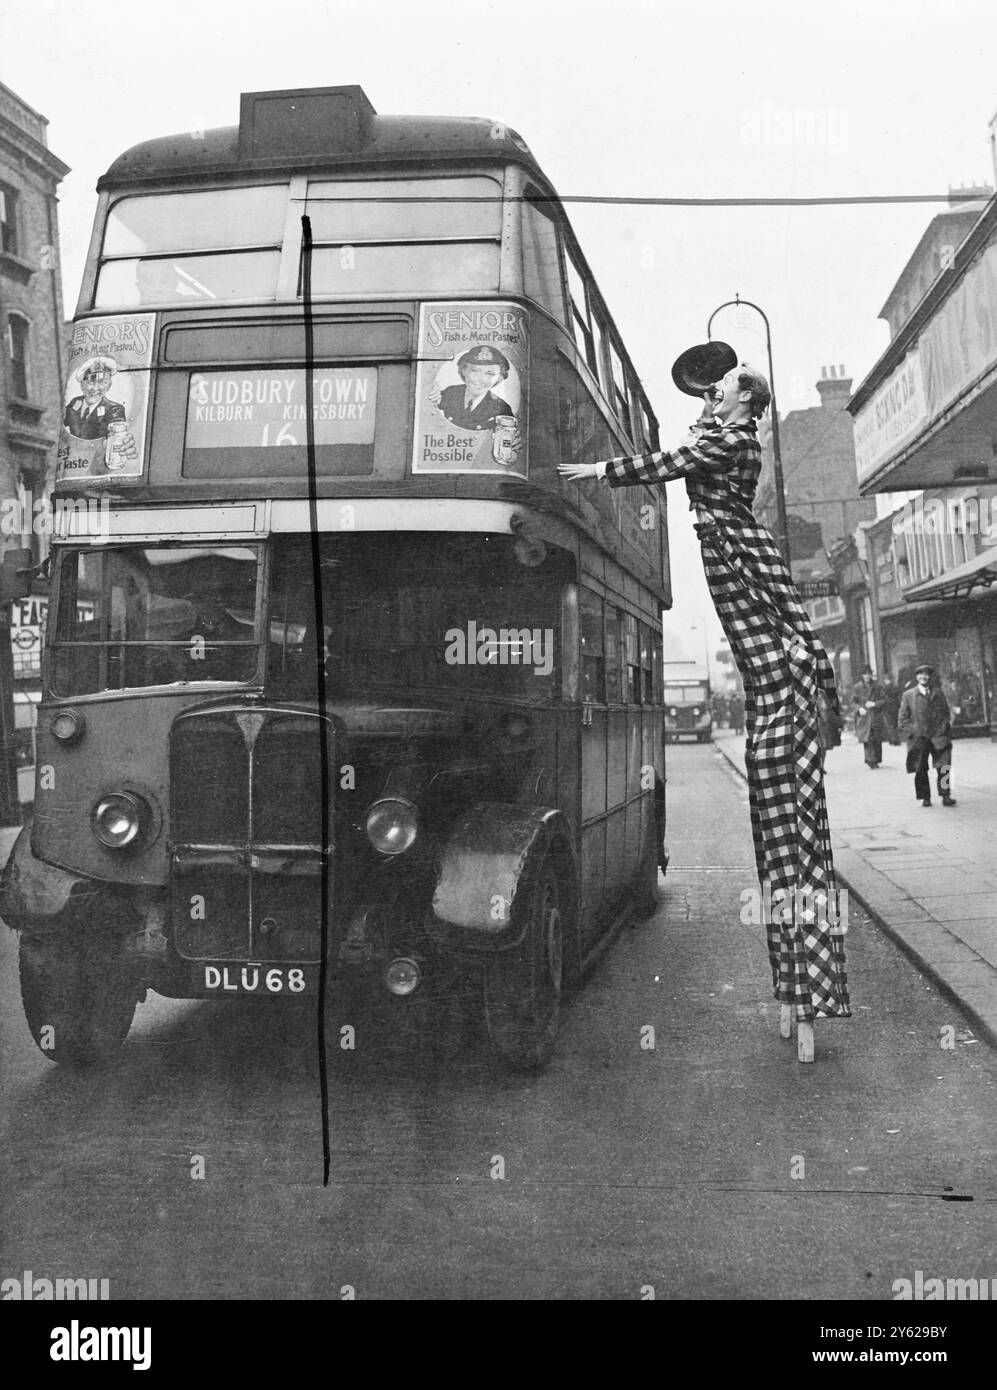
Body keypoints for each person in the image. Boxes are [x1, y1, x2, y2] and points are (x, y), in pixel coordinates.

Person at [559, 362, 849, 1026]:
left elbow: (679, 457)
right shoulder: (725, 429)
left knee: (789, 644)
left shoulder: (737, 440)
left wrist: (603, 471)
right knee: (769, 661)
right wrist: (702, 401)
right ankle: (794, 988)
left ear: (747, 397)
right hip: (724, 552)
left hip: (740, 551)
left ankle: (809, 692)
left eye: (724, 387)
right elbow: (696, 434)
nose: (712, 392)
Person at [898, 663, 956, 807]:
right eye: (920, 674)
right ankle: (925, 797)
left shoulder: (938, 693)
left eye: (926, 674)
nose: (923, 677)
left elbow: (946, 714)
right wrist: (914, 731)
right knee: (920, 768)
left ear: (929, 677)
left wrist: (943, 728)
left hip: (938, 736)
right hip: (919, 738)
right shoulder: (909, 695)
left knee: (944, 766)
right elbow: (903, 719)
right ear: (917, 677)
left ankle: (946, 795)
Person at [430, 344, 517, 431]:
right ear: (464, 371)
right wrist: (431, 391)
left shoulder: (503, 409)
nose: (481, 379)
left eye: (490, 374)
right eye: (475, 371)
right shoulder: (451, 392)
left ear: (499, 377)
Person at [63, 357, 128, 439]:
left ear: (108, 386)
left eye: (101, 383)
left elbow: (116, 437)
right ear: (82, 385)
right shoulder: (75, 402)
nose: (95, 388)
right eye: (90, 383)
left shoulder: (114, 410)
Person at [852, 665, 886, 768]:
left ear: (871, 675)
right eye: (865, 674)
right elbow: (853, 702)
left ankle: (876, 759)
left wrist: (875, 704)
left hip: (875, 716)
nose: (867, 676)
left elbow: (884, 700)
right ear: (862, 675)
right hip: (864, 717)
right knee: (867, 738)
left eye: (869, 674)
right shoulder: (857, 687)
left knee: (876, 738)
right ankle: (871, 760)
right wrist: (859, 709)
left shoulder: (878, 686)